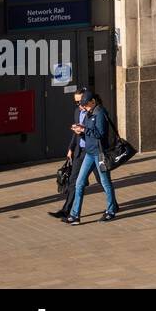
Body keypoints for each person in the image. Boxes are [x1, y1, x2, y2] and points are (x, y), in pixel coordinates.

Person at [66, 92, 118, 224]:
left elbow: (100, 134)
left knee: (105, 182)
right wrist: (81, 129)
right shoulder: (90, 113)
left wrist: (84, 130)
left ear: (93, 101)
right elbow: (89, 130)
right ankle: (75, 215)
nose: (84, 108)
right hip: (90, 153)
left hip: (100, 153)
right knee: (79, 182)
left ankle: (111, 211)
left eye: (86, 105)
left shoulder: (100, 113)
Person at [51, 86, 95, 219]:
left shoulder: (93, 112)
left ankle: (112, 205)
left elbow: (97, 131)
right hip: (80, 151)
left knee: (104, 181)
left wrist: (83, 130)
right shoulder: (77, 112)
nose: (78, 104)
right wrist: (71, 147)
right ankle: (66, 209)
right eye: (76, 102)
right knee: (73, 180)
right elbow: (75, 134)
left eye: (80, 101)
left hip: (93, 151)